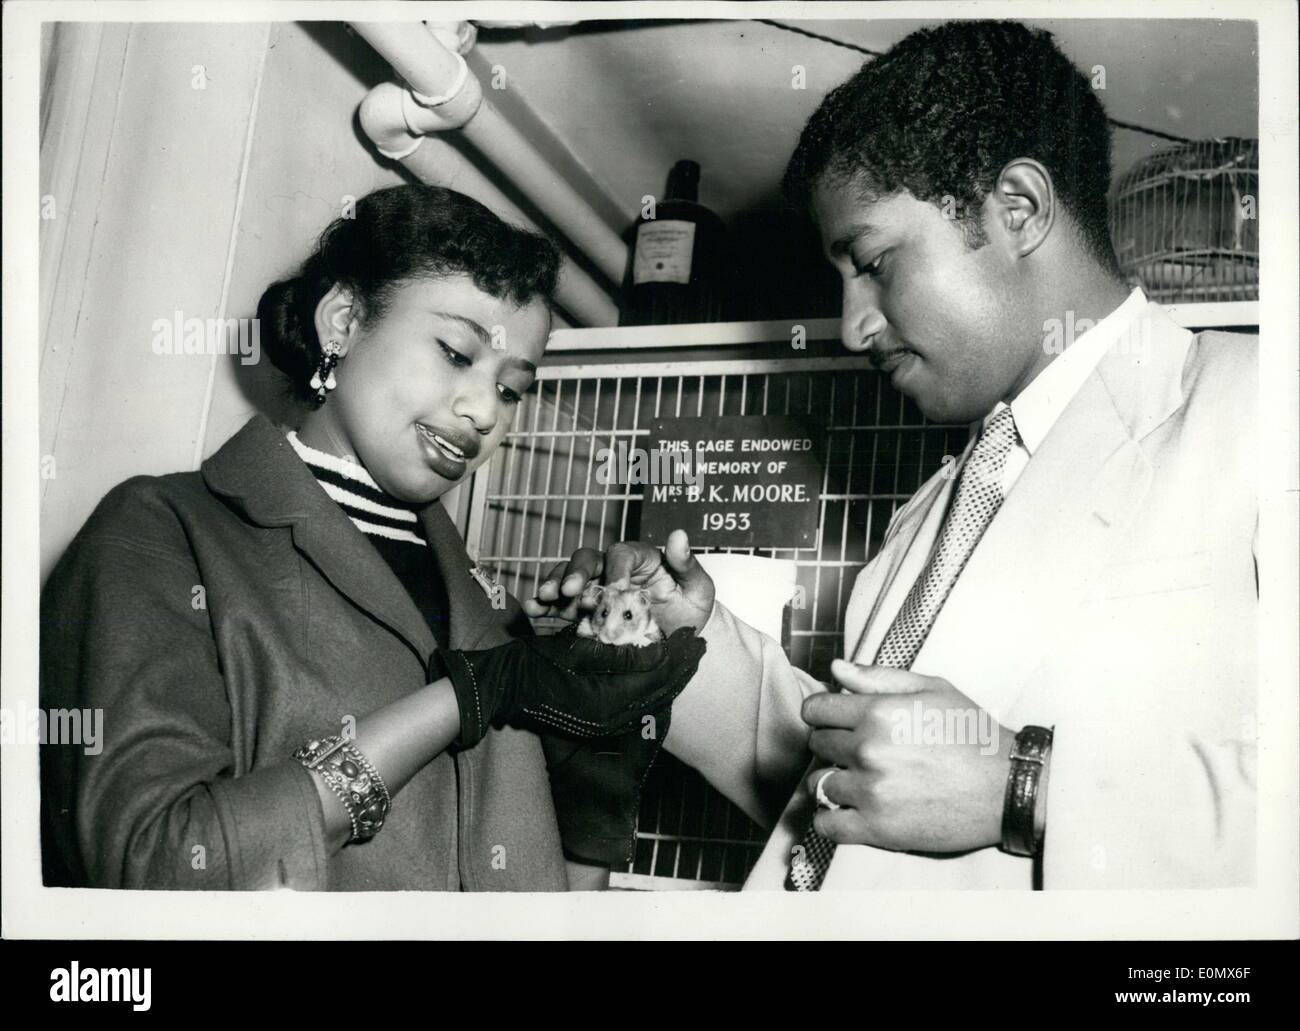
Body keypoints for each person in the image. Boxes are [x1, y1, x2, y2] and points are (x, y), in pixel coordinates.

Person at [525, 20, 1257, 890]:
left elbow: (981, 786)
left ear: (1017, 210)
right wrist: (685, 646)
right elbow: (853, 794)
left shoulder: (1255, 406)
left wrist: (1025, 788)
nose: (853, 325)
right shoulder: (931, 511)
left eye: (872, 262)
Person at [40, 184, 705, 891]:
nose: (484, 411)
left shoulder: (499, 616)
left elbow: (564, 903)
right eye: (455, 353)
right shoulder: (161, 533)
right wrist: (463, 698)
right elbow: (152, 861)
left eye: (512, 389)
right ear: (344, 321)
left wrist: (603, 742)